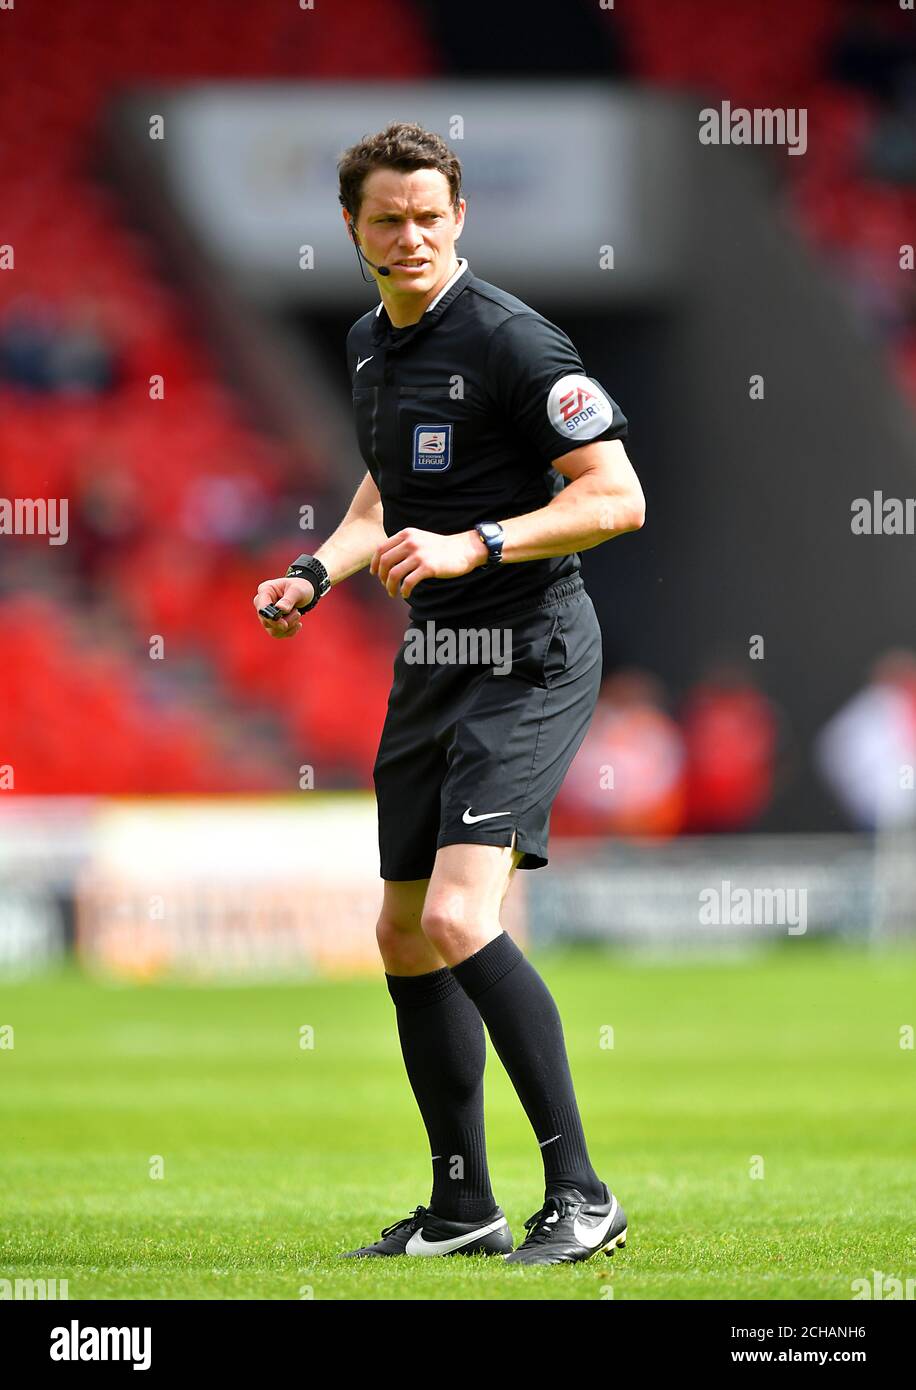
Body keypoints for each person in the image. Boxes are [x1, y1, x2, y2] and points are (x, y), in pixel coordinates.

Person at [253, 122, 645, 1265]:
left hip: (528, 649)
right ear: (352, 230)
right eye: (388, 220)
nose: (411, 235)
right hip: (436, 656)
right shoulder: (372, 343)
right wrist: (316, 570)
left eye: (429, 216)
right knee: (401, 932)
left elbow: (615, 497)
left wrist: (480, 542)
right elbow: (383, 492)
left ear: (459, 217)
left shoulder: (517, 340)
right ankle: (461, 1204)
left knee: (460, 917)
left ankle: (581, 1193)